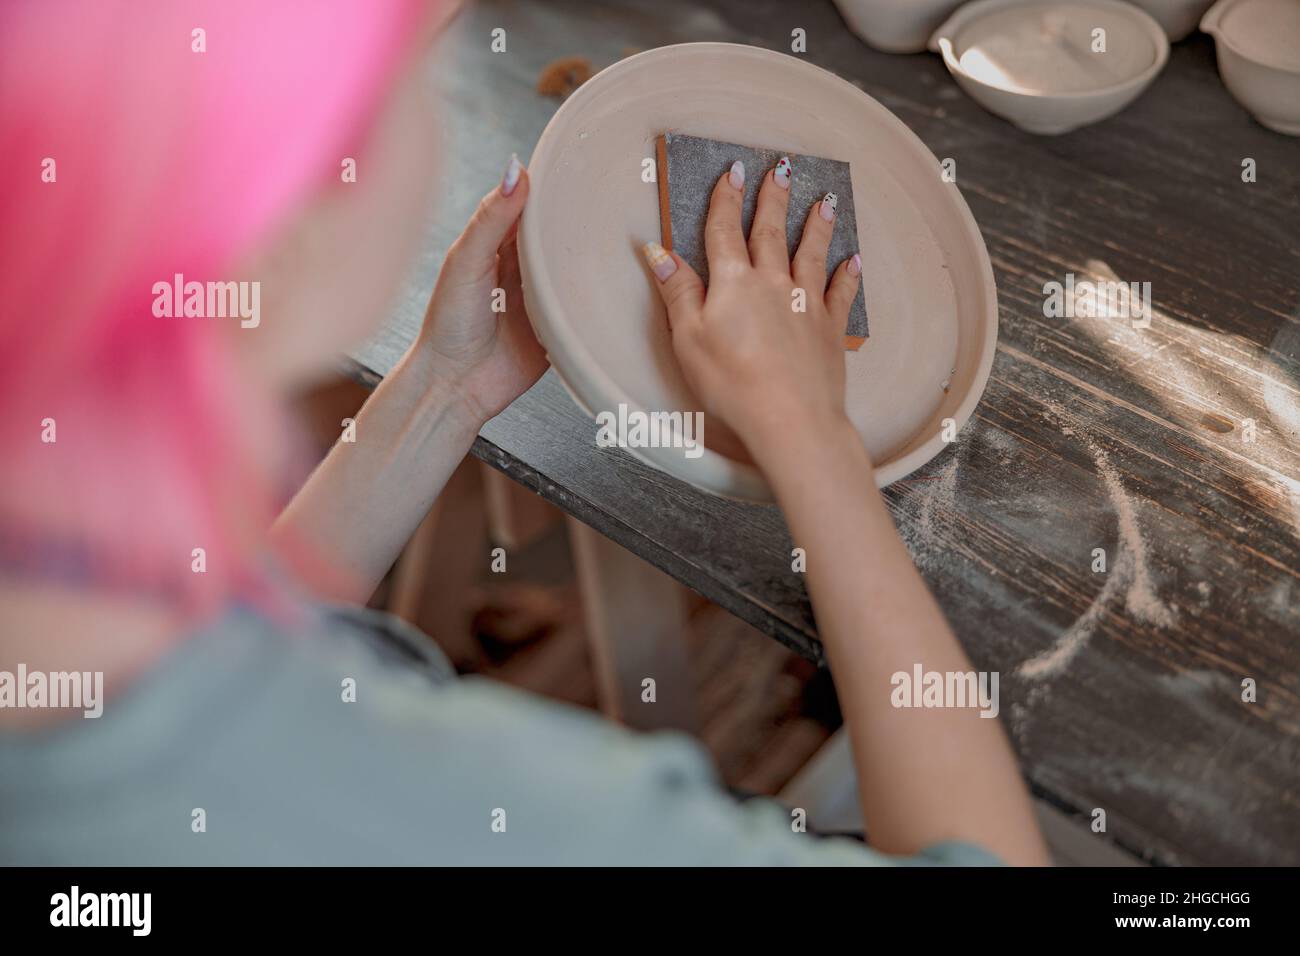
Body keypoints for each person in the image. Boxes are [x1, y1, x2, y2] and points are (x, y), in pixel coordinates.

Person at [0, 0, 1048, 866]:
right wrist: (813, 434)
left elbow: (223, 642)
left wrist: (443, 388)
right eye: (415, 72)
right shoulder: (478, 806)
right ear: (304, 195)